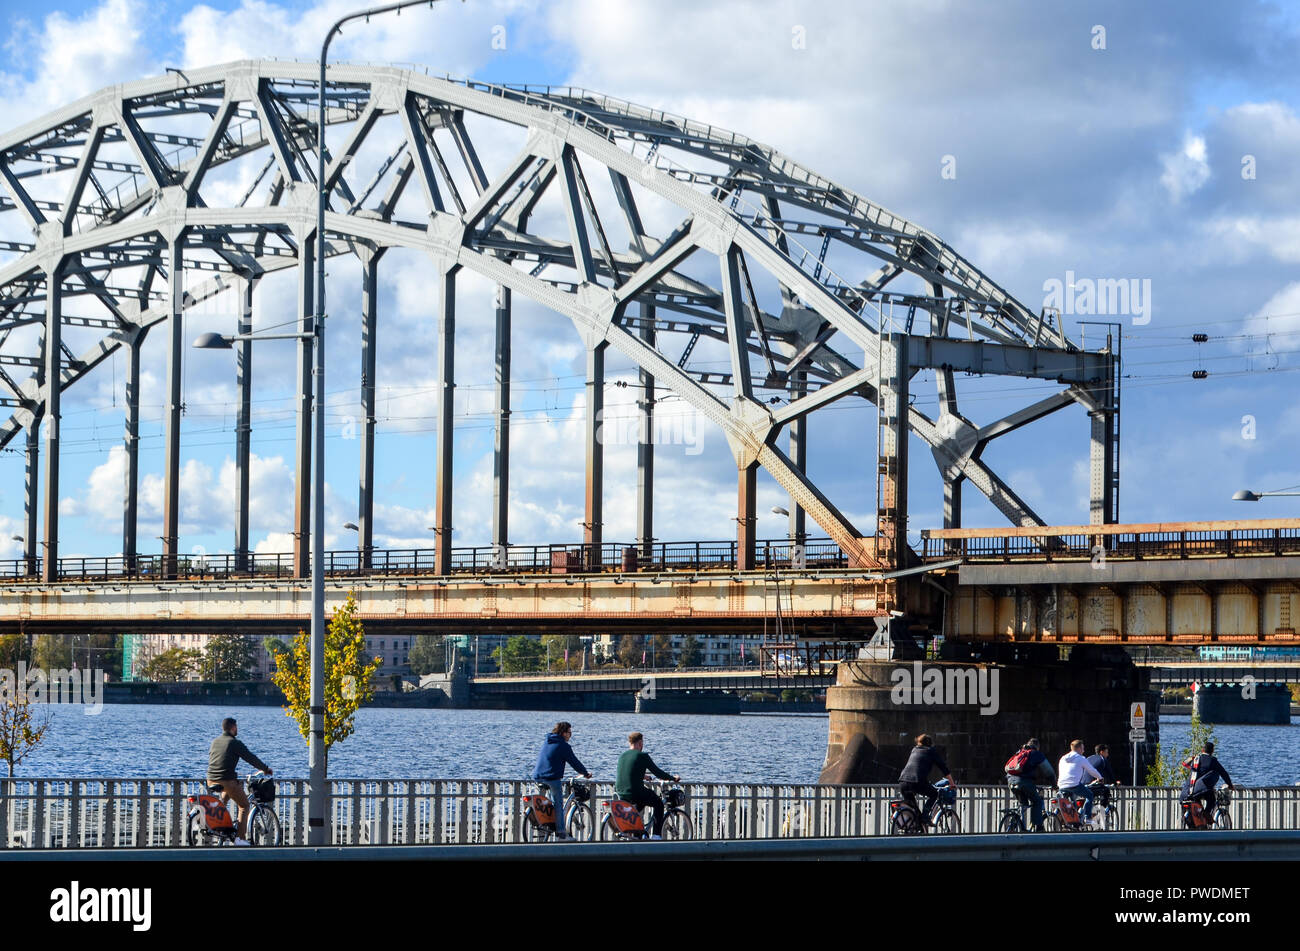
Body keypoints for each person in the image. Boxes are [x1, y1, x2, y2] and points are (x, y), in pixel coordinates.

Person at [207, 717, 271, 845]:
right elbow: (250, 757)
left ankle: (220, 827)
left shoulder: (215, 741)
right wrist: (265, 769)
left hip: (211, 779)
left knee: (226, 797)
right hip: (226, 780)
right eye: (236, 727)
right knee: (244, 805)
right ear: (232, 727)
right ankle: (240, 839)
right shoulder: (234, 742)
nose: (237, 729)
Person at [532, 721, 591, 840]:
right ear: (563, 733)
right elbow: (574, 762)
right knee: (558, 804)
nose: (570, 735)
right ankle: (561, 834)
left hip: (538, 776)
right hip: (551, 778)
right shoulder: (563, 746)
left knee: (546, 803)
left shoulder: (547, 742)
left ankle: (545, 827)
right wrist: (585, 773)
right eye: (570, 732)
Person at [615, 731, 680, 839]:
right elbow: (657, 772)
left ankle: (637, 833)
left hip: (621, 791)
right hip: (635, 791)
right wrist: (673, 778)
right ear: (640, 743)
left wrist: (643, 776)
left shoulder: (622, 756)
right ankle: (656, 835)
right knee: (658, 804)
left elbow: (629, 772)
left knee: (639, 805)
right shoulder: (642, 756)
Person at [897, 733, 955, 827]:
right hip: (917, 781)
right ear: (930, 744)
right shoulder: (930, 751)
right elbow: (943, 767)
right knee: (934, 794)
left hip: (903, 781)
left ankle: (916, 827)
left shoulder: (914, 750)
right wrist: (952, 783)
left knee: (914, 809)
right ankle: (925, 816)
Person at [1005, 738, 1055, 831]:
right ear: (1037, 746)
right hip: (1024, 782)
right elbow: (1048, 770)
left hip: (1010, 781)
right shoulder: (1035, 754)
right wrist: (1053, 783)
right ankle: (1038, 826)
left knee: (1024, 803)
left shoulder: (1019, 752)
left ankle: (1016, 823)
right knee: (1037, 801)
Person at [1181, 742, 1234, 824]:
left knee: (1196, 801)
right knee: (1212, 799)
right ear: (1212, 751)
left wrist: (1192, 758)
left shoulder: (1196, 759)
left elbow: (1184, 763)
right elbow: (1223, 773)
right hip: (1201, 789)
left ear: (1202, 750)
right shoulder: (1212, 761)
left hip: (1188, 790)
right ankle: (1206, 814)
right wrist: (1230, 785)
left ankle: (1198, 823)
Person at [1057, 739, 1104, 824]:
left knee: (1072, 801)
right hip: (1073, 784)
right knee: (1089, 795)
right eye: (1082, 748)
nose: (1083, 751)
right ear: (1078, 749)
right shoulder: (1081, 758)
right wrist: (1100, 778)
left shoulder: (1063, 758)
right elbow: (1091, 770)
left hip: (1061, 785)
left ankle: (1073, 821)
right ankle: (1087, 818)